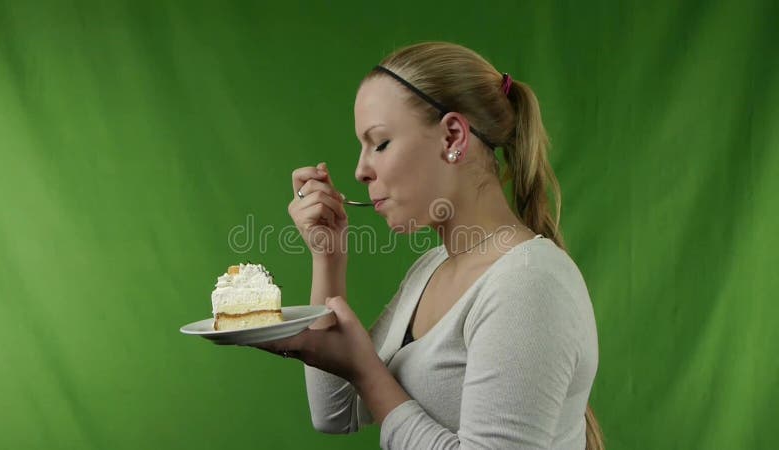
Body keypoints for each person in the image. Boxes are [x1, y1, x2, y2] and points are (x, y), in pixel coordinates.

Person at [256, 41, 603, 449]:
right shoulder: (432, 267)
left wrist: (368, 372)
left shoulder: (528, 283)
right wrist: (327, 256)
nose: (360, 170)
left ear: (452, 136)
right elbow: (337, 411)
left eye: (380, 143)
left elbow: (366, 382)